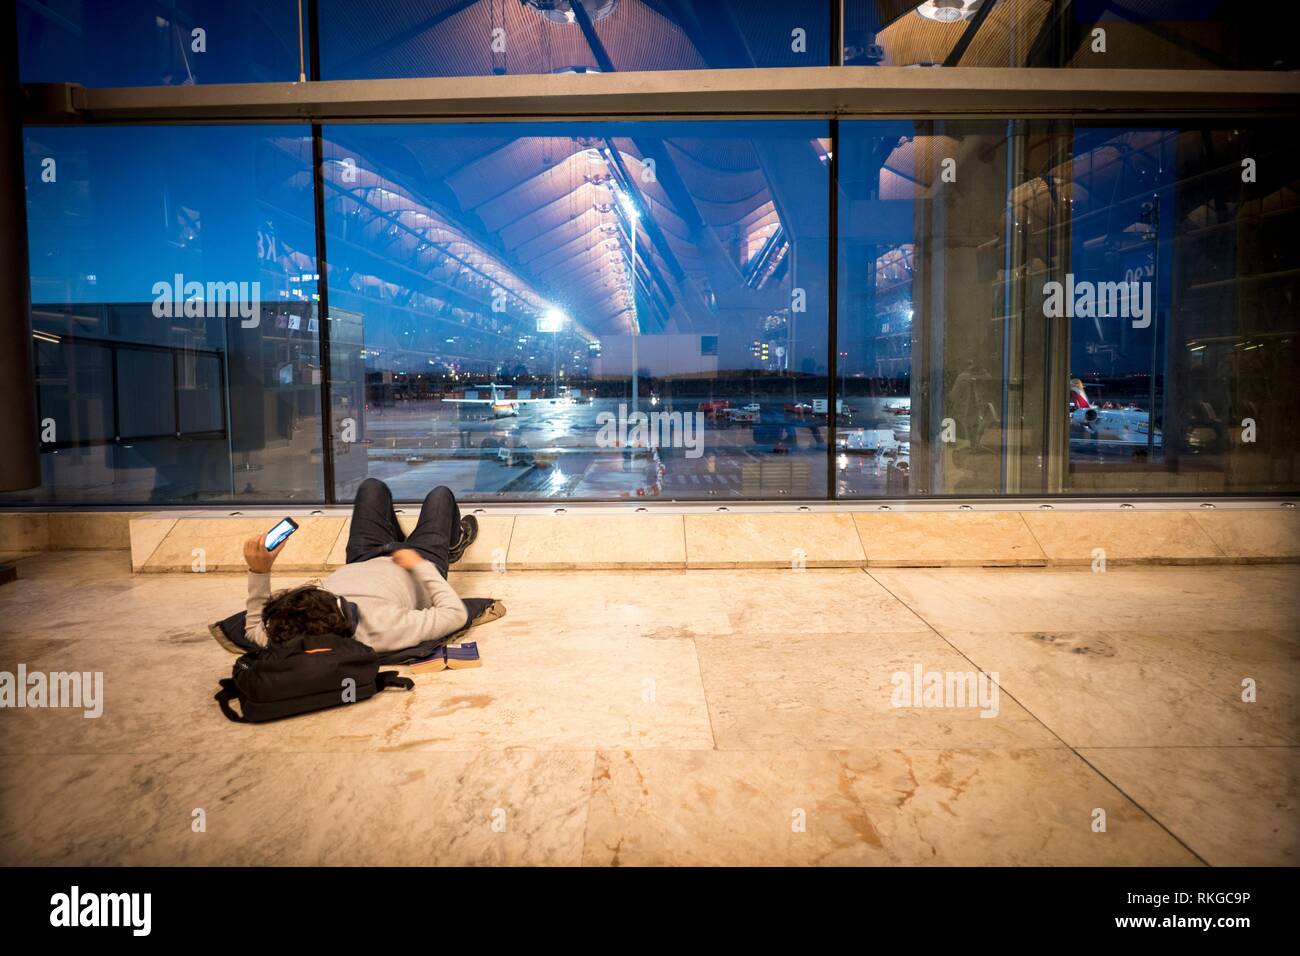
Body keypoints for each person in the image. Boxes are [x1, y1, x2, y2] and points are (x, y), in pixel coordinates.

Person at [218, 479, 479, 655]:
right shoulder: (384, 629)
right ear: (342, 610)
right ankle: (452, 546)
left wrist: (260, 570)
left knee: (371, 487)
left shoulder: (286, 635)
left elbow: (253, 629)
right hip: (417, 562)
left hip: (363, 557)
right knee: (440, 495)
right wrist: (420, 566)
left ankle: (395, 538)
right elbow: (455, 613)